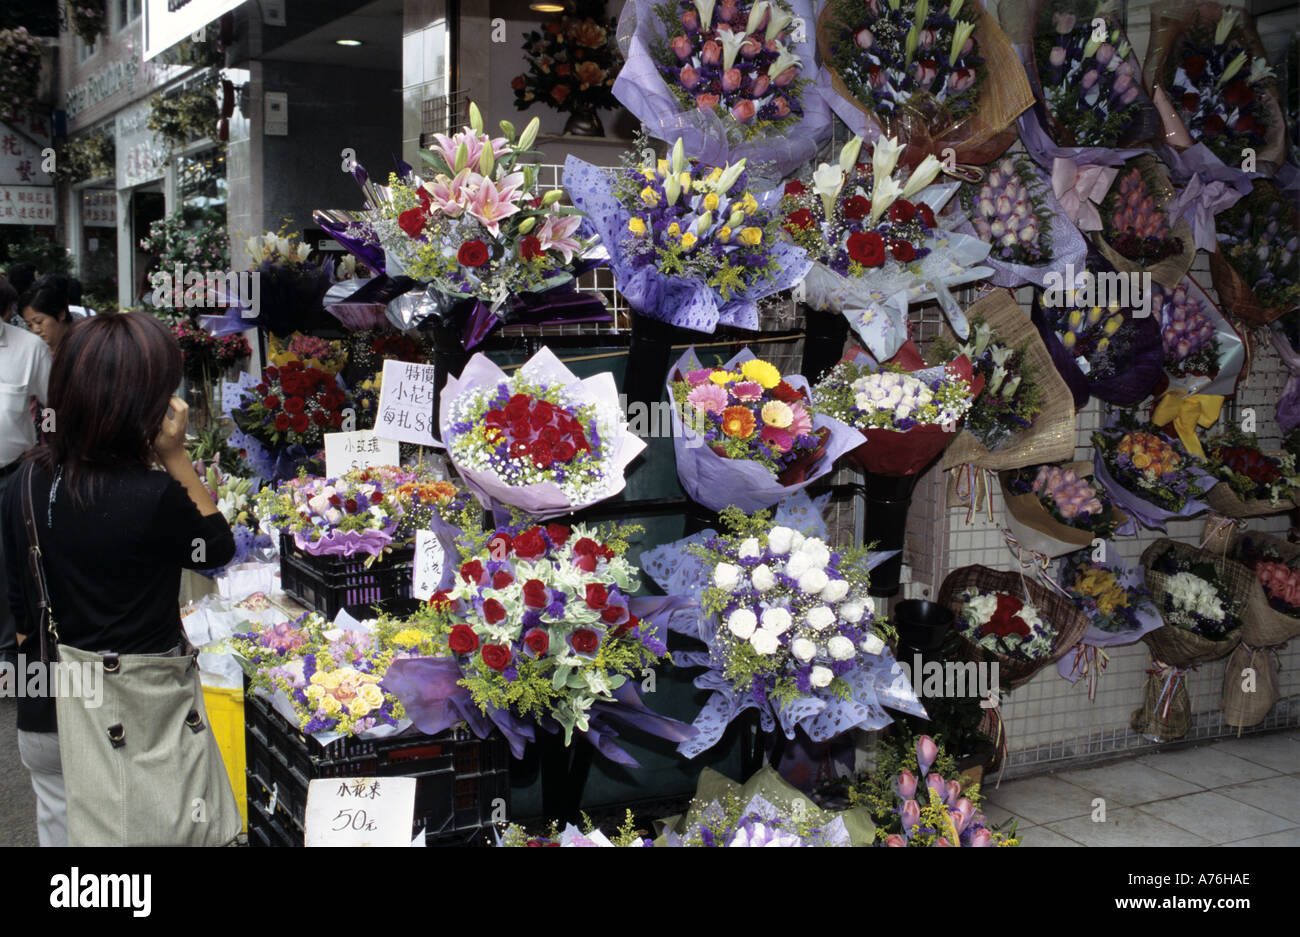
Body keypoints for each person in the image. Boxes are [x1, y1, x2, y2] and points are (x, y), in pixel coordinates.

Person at [2, 311, 235, 847]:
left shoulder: (24, 480)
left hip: (49, 708)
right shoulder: (151, 496)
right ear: (146, 402)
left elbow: (20, 603)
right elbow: (215, 548)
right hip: (137, 713)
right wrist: (175, 455)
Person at [0, 299, 51, 676]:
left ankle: (6, 654)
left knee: (6, 565)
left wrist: (49, 454)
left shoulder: (28, 348)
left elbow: (51, 406)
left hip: (8, 474)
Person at [18, 277, 75, 353]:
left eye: (39, 322)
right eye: (29, 325)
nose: (35, 330)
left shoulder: (83, 345)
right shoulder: (32, 352)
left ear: (61, 314)